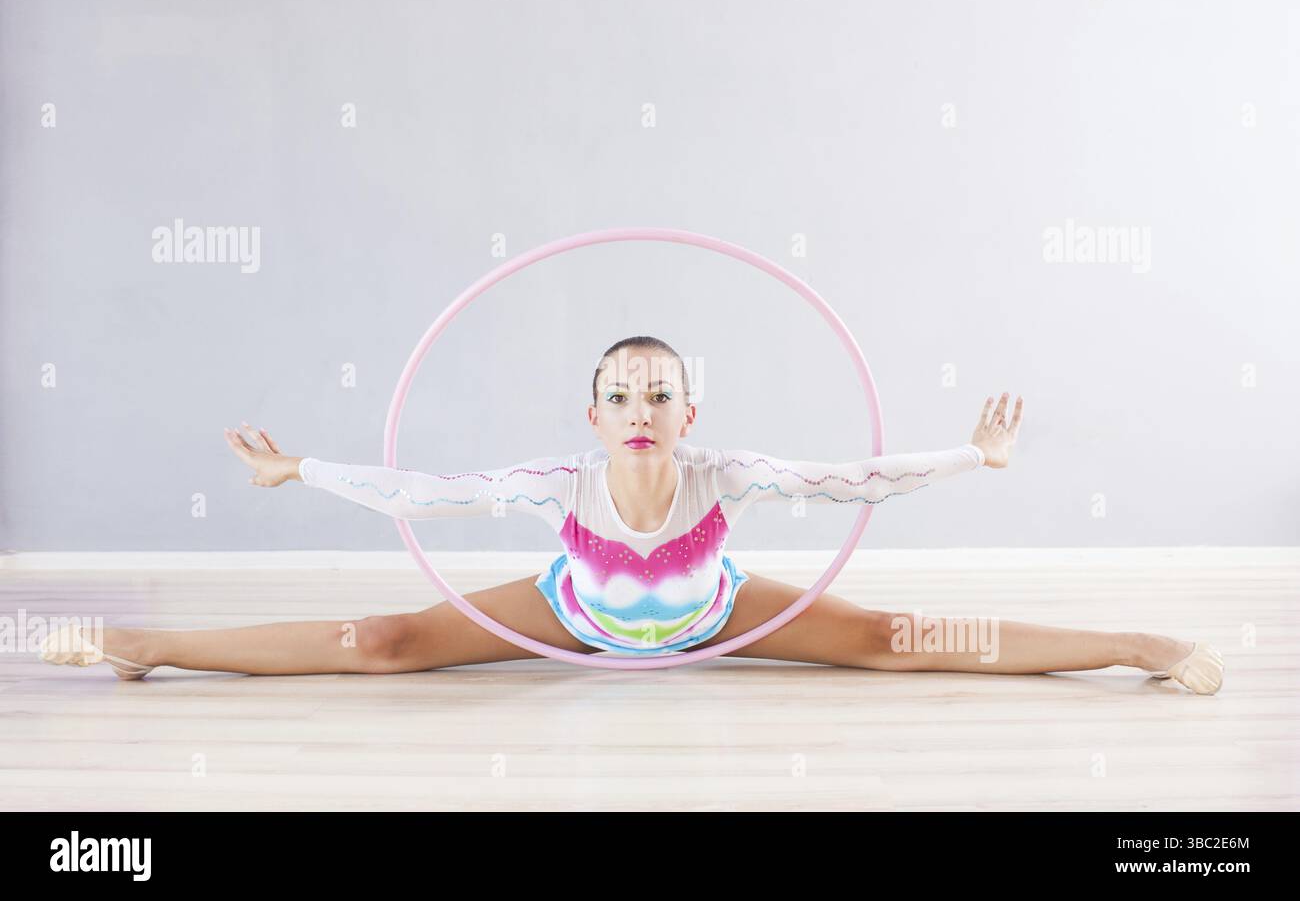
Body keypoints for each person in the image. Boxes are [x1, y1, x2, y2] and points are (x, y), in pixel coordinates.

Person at [39, 335, 1223, 694]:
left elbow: (849, 479)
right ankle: (148, 643)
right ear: (594, 412)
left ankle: (1136, 643)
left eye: (660, 391)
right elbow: (431, 495)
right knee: (384, 641)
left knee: (891, 634)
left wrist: (975, 455)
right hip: (574, 610)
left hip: (712, 611)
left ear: (688, 406)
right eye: (621, 393)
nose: (641, 407)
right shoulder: (562, 481)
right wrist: (297, 472)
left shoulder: (722, 470)